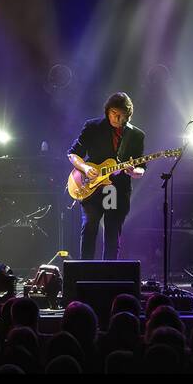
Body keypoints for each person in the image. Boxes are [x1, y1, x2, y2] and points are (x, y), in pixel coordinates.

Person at [68, 92, 145, 260]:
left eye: (121, 115)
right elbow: (73, 154)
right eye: (113, 113)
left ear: (128, 115)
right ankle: (85, 272)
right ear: (107, 111)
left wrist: (133, 171)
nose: (116, 118)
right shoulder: (92, 127)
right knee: (90, 225)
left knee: (112, 231)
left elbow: (141, 169)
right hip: (92, 186)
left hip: (116, 190)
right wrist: (85, 168)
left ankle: (109, 274)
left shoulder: (136, 135)